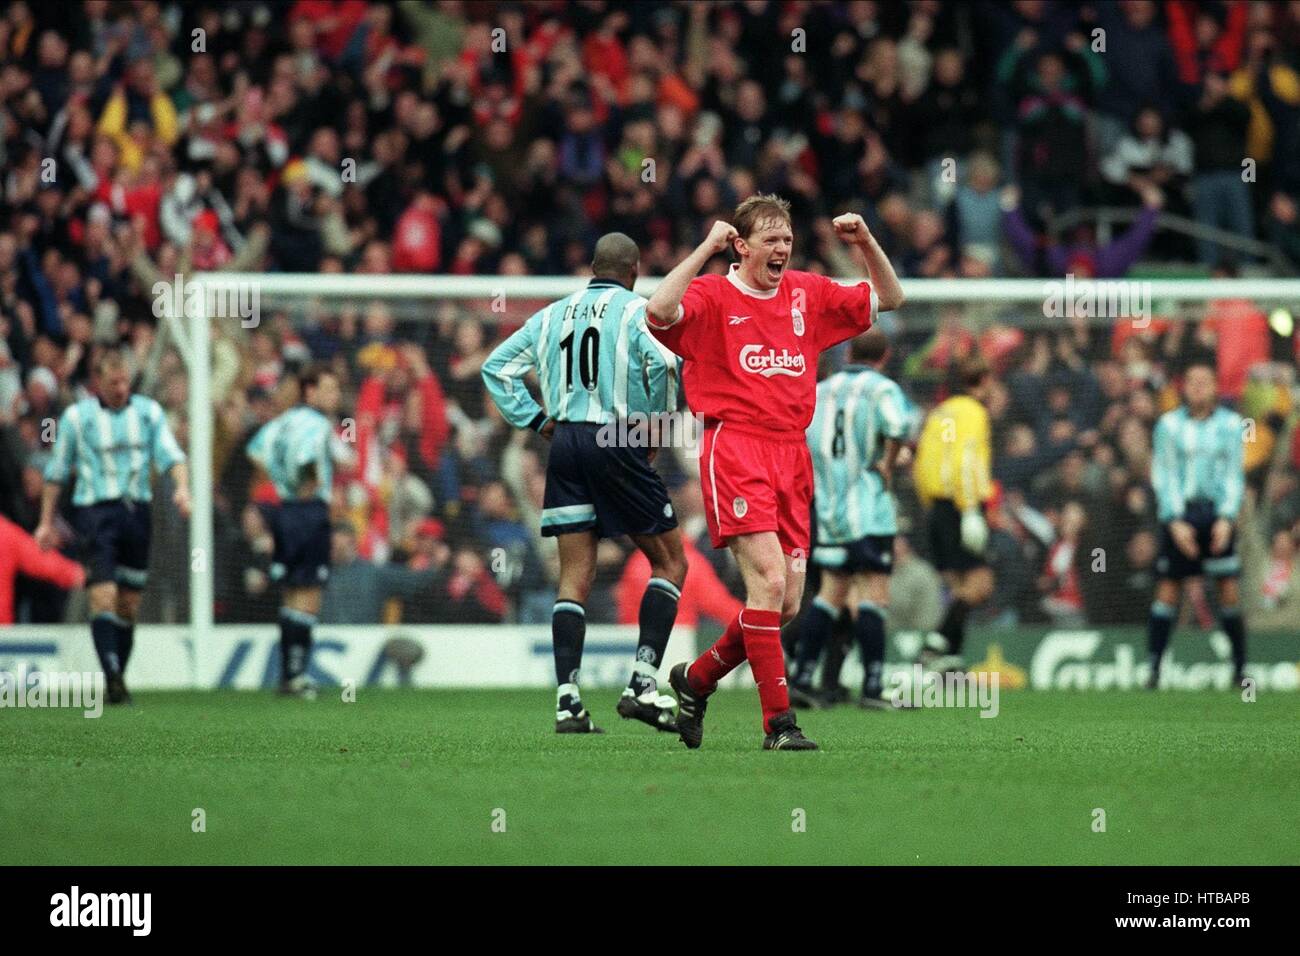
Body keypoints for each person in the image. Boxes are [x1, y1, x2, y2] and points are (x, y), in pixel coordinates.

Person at [645, 193, 905, 751]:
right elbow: (660, 310)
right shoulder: (713, 294)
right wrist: (706, 248)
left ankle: (695, 681)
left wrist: (863, 242)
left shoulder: (807, 293)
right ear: (741, 246)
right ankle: (779, 724)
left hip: (792, 454)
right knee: (766, 581)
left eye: (787, 238)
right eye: (770, 239)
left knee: (784, 604)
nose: (783, 247)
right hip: (735, 446)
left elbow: (891, 295)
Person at [482, 232, 688, 734]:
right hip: (615, 437)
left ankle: (567, 701)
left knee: (574, 574)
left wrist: (535, 420)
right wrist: (654, 428)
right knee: (671, 559)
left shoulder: (552, 314)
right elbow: (663, 363)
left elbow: (497, 368)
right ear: (634, 270)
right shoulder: (638, 311)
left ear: (592, 266)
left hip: (566, 444)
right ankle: (641, 683)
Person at [36, 349, 190, 704]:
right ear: (97, 382)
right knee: (103, 595)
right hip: (95, 514)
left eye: (125, 381)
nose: (121, 388)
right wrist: (45, 521)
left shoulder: (149, 413)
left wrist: (182, 488)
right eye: (113, 382)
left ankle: (116, 675)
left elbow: (172, 456)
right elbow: (57, 471)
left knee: (129, 604)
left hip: (137, 514)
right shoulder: (77, 418)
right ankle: (114, 679)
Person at [790, 329, 914, 709]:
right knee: (874, 595)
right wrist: (889, 464)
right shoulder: (882, 389)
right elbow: (899, 427)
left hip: (828, 510)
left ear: (849, 354)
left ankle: (801, 678)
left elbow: (802, 436)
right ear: (886, 355)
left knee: (832, 592)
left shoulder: (821, 389)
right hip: (869, 509)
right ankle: (873, 688)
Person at [1148, 362, 1248, 688]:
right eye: (1191, 380)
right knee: (1167, 591)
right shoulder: (1168, 425)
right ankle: (1154, 671)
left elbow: (1235, 474)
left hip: (1216, 515)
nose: (1198, 387)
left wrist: (1227, 518)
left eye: (1205, 381)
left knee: (1228, 590)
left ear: (1216, 386)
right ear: (1183, 386)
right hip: (1181, 515)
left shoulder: (1233, 425)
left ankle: (1239, 671)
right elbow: (1163, 474)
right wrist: (1174, 521)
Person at [246, 365, 342, 698]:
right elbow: (311, 462)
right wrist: (307, 486)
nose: (335, 396)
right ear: (310, 392)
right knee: (309, 594)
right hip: (310, 511)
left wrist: (279, 482)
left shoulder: (280, 423)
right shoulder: (317, 425)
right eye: (328, 389)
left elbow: (256, 451)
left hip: (285, 511)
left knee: (290, 594)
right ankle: (297, 676)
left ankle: (289, 674)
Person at [912, 356, 996, 670]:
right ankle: (934, 646)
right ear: (984, 382)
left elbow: (922, 463)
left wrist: (931, 505)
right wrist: (971, 509)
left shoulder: (940, 412)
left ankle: (951, 661)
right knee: (980, 585)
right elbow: (966, 459)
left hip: (937, 505)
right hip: (961, 504)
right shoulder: (974, 412)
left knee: (960, 587)